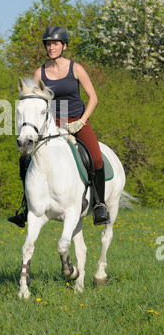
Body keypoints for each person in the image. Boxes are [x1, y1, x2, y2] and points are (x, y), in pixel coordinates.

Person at [8, 25, 110, 228]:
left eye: (55, 43)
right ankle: (27, 207)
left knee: (97, 158)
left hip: (77, 121)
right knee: (25, 159)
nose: (51, 47)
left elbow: (93, 98)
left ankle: (99, 204)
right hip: (52, 123)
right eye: (48, 44)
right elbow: (36, 102)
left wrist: (82, 121)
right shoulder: (40, 73)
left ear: (64, 46)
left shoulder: (76, 69)